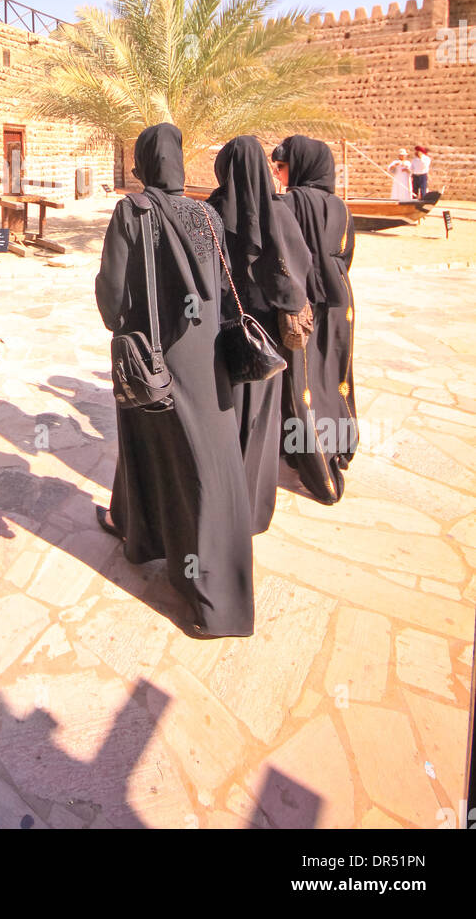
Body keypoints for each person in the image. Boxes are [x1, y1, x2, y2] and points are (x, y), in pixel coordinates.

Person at [94, 123, 254, 639]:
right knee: (204, 456)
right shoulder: (207, 214)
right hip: (206, 358)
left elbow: (113, 296)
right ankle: (138, 531)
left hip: (153, 357)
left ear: (144, 161)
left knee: (174, 454)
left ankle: (214, 603)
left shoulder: (131, 211)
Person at [207, 136, 313, 535]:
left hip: (224, 337)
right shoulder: (280, 213)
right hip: (264, 338)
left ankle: (223, 506)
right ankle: (253, 509)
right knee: (261, 423)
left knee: (227, 418)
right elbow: (294, 274)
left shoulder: (210, 214)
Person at [270, 136, 358, 505]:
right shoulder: (341, 208)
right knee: (335, 376)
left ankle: (318, 469)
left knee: (302, 384)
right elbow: (346, 253)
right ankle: (340, 445)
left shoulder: (286, 204)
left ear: (300, 166)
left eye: (282, 166)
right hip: (341, 304)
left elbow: (281, 257)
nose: (278, 173)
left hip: (302, 306)